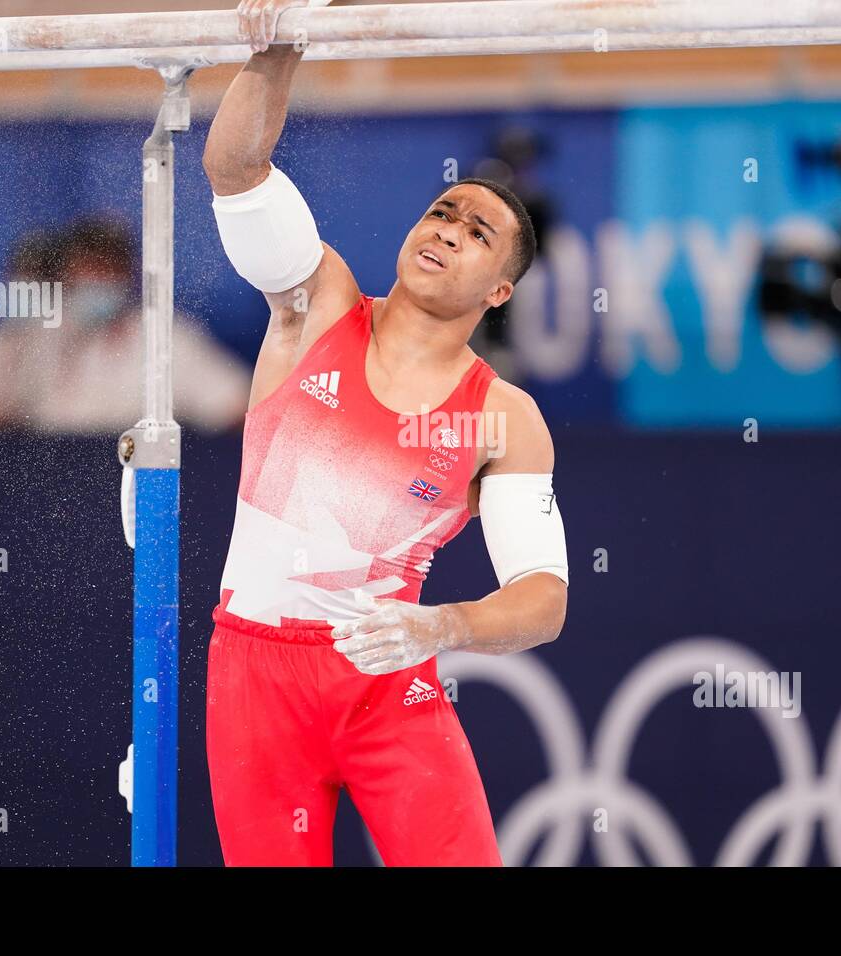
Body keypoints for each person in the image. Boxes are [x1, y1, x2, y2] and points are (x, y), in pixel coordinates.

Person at [202, 0, 569, 867]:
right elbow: (235, 169)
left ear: (501, 294)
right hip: (255, 678)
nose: (448, 230)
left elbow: (544, 600)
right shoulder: (315, 305)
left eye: (478, 233)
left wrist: (445, 628)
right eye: (443, 211)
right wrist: (280, 44)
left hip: (387, 678)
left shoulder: (504, 417)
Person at [0, 219, 251, 433]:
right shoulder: (35, 337)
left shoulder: (166, 341)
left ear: (129, 276)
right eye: (87, 269)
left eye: (107, 269)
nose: (96, 280)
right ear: (67, 276)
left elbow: (239, 408)